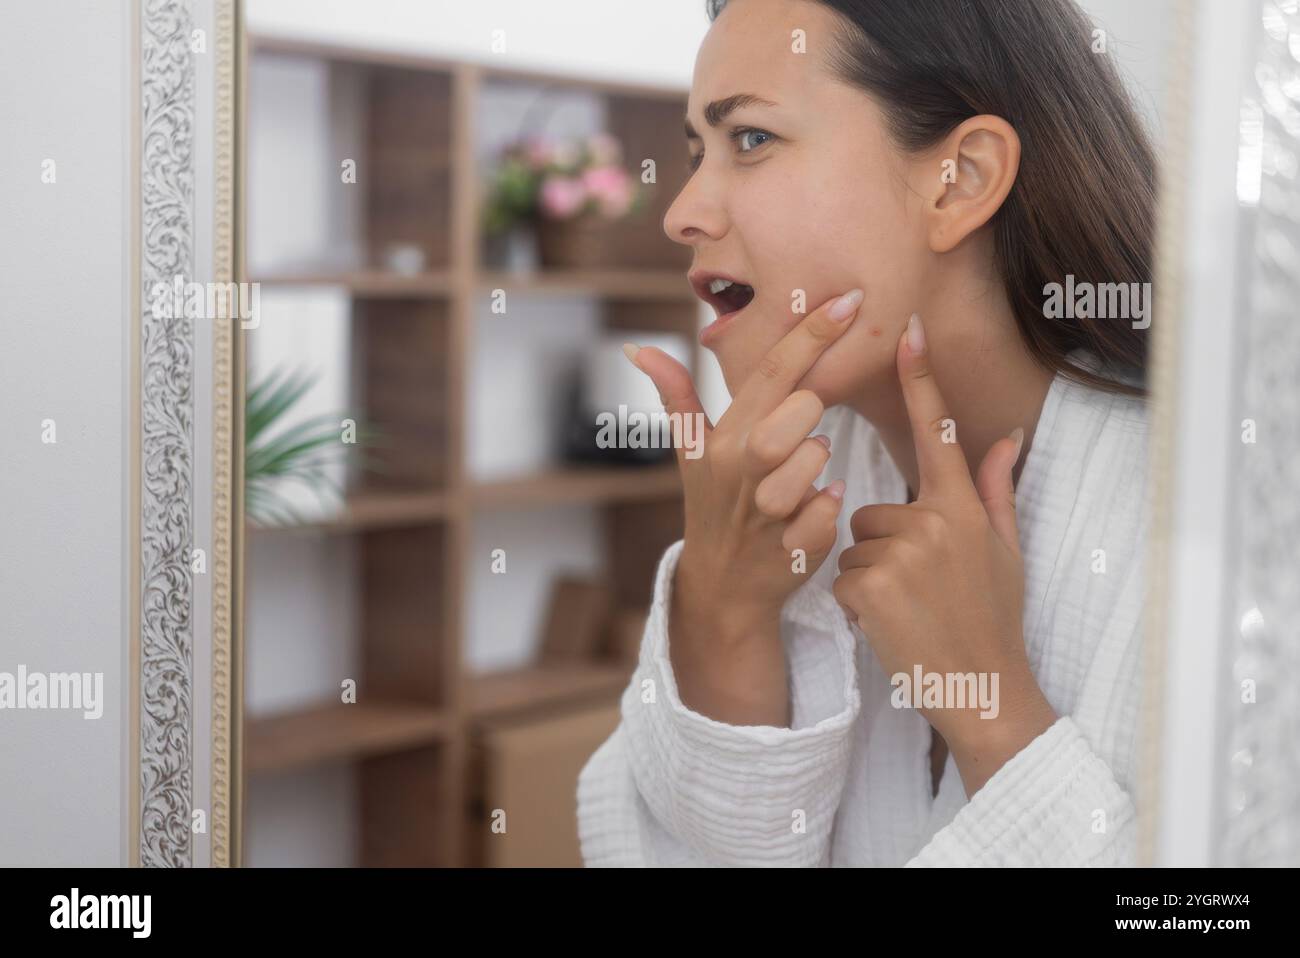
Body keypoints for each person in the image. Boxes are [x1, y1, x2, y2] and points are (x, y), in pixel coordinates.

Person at [577, 0, 1154, 866]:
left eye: (752, 140)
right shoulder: (799, 489)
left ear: (959, 179)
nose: (683, 212)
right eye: (698, 151)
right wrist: (721, 608)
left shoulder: (1229, 513)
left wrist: (989, 706)